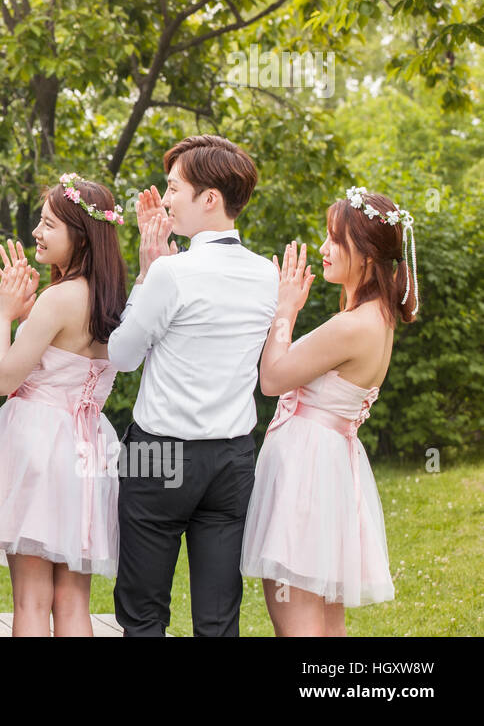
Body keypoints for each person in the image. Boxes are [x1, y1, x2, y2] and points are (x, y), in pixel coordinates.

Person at [107, 134, 278, 637]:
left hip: (159, 452)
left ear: (209, 199)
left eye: (173, 187)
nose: (164, 198)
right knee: (219, 617)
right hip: (232, 456)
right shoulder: (266, 275)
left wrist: (146, 271)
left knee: (142, 612)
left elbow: (121, 356)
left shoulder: (171, 273)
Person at [241, 187, 418, 635]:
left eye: (333, 239)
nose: (322, 249)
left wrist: (285, 309)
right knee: (324, 619)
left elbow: (273, 379)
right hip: (328, 466)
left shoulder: (351, 326)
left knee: (296, 620)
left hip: (307, 471)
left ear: (364, 251)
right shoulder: (378, 317)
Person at [0, 173, 128, 636]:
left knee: (31, 602)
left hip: (39, 443)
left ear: (80, 236)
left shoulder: (59, 299)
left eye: (49, 223)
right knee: (74, 601)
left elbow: (2, 378)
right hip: (89, 447)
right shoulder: (113, 302)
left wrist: (2, 314)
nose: (37, 230)